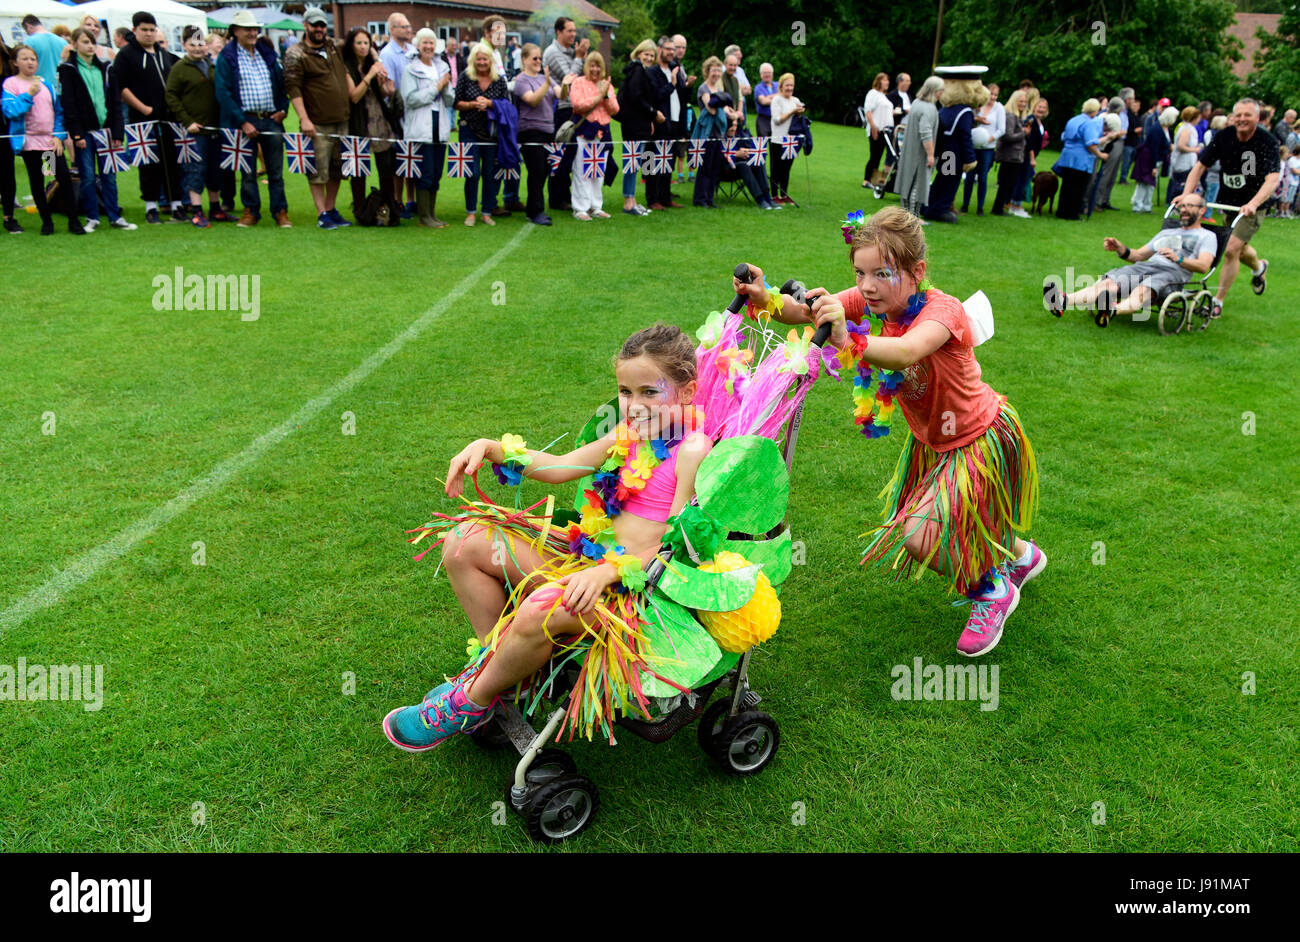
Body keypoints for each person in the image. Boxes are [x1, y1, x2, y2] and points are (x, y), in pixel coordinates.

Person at [382, 324, 713, 750]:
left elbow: (674, 542)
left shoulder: (692, 448)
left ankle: (471, 700)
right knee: (465, 541)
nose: (633, 406)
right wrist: (491, 447)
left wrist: (605, 575)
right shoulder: (628, 436)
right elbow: (559, 467)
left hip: (636, 595)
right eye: (625, 392)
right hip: (585, 562)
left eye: (650, 392)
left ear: (687, 393)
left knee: (541, 606)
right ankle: (505, 675)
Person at [736, 206, 1042, 656]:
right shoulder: (871, 298)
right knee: (962, 514)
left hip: (979, 437)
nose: (865, 286)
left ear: (916, 271)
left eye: (881, 273)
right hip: (933, 440)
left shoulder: (944, 311)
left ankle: (992, 591)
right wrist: (762, 297)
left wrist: (846, 339)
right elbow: (808, 314)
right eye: (859, 273)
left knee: (921, 536)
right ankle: (1022, 555)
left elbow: (904, 352)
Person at [1175, 98, 1279, 317]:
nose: (1241, 119)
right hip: (1228, 202)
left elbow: (1272, 180)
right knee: (1238, 250)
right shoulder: (1224, 136)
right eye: (1238, 115)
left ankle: (1217, 301)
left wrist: (1253, 204)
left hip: (1253, 206)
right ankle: (1259, 267)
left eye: (1247, 115)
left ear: (1257, 118)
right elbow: (1199, 166)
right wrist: (1186, 195)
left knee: (1230, 248)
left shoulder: (1267, 141)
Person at [1045, 194, 1217, 321]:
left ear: (1202, 210)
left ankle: (1112, 311)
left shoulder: (1207, 236)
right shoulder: (1167, 232)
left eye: (1190, 206)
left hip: (1173, 274)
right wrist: (1120, 248)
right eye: (1183, 206)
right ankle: (1063, 301)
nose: (1184, 210)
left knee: (1143, 289)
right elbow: (1139, 255)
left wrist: (1178, 259)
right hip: (1146, 266)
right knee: (1108, 284)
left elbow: (1203, 266)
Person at [214, 11, 290, 228]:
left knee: (275, 171)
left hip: (270, 119)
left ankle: (280, 211)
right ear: (236, 31)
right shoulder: (227, 58)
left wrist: (283, 109)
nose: (252, 33)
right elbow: (223, 93)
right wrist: (241, 121)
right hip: (244, 120)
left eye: (255, 29)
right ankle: (250, 211)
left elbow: (282, 85)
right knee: (247, 171)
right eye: (247, 29)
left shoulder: (268, 53)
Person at [59, 28, 137, 232]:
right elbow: (69, 103)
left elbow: (115, 101)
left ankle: (114, 216)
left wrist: (118, 132)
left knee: (109, 176)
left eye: (92, 42)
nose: (90, 46)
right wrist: (76, 133)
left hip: (106, 132)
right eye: (85, 42)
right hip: (84, 132)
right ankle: (92, 217)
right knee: (87, 177)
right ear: (74, 44)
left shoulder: (106, 68)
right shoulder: (68, 69)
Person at [2, 45, 84, 234]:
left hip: (49, 143)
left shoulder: (46, 84)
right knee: (37, 181)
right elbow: (11, 111)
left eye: (33, 59)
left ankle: (73, 220)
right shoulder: (11, 84)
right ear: (15, 62)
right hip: (30, 143)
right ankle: (47, 221)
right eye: (24, 58)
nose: (30, 62)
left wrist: (58, 136)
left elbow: (58, 112)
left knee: (61, 176)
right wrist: (28, 95)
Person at [112, 12, 183, 224]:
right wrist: (144, 109)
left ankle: (176, 204)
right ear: (135, 31)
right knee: (148, 162)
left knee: (172, 160)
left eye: (152, 30)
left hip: (168, 118)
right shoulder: (126, 55)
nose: (149, 34)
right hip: (143, 118)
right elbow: (121, 87)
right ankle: (151, 206)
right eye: (144, 30)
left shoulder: (163, 54)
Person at [285, 7, 352, 230]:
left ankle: (331, 209)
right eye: (315, 25)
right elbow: (293, 89)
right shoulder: (296, 53)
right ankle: (321, 212)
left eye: (322, 25)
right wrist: (304, 119)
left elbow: (356, 43)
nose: (319, 29)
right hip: (317, 121)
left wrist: (372, 54)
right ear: (305, 25)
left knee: (338, 168)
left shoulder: (332, 46)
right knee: (317, 170)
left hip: (341, 119)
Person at [165, 25, 226, 228]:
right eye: (193, 44)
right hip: (194, 129)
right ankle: (196, 210)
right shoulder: (179, 69)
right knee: (195, 169)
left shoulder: (212, 66)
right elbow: (171, 96)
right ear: (184, 45)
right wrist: (187, 121)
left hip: (214, 127)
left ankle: (216, 207)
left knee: (215, 169)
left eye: (201, 44)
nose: (198, 48)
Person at [342, 27, 397, 224]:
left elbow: (383, 95)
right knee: (358, 169)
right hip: (358, 121)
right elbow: (354, 96)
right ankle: (359, 210)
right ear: (352, 45)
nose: (363, 47)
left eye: (366, 43)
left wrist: (382, 83)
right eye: (359, 43)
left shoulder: (373, 64)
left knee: (386, 168)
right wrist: (369, 75)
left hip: (379, 120)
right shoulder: (346, 66)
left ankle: (389, 208)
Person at [400, 28, 453, 228]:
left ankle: (432, 213)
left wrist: (446, 87)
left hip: (439, 125)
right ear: (418, 45)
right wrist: (437, 87)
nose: (428, 47)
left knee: (437, 172)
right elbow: (411, 99)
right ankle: (423, 216)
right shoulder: (411, 69)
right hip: (421, 127)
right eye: (425, 43)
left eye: (431, 43)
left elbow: (449, 100)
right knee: (426, 172)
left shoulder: (442, 66)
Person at [454, 42, 509, 226]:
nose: (482, 62)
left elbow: (507, 104)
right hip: (469, 128)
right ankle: (470, 212)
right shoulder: (465, 76)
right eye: (479, 59)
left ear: (491, 60)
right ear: (473, 60)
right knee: (473, 172)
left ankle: (486, 212)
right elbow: (456, 102)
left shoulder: (499, 80)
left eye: (485, 59)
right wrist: (471, 105)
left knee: (489, 173)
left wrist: (490, 103)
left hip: (492, 132)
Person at [924, 67, 984, 224]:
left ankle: (930, 206)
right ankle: (939, 208)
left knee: (943, 179)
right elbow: (965, 136)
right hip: (953, 154)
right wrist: (970, 159)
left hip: (945, 151)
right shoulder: (964, 112)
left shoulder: (947, 109)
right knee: (949, 181)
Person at [565, 51, 618, 221]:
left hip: (602, 133)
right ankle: (580, 208)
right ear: (587, 66)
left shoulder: (607, 85)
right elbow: (578, 104)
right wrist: (598, 97)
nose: (595, 69)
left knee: (598, 172)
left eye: (598, 66)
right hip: (584, 132)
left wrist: (607, 95)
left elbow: (615, 109)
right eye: (592, 65)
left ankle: (596, 206)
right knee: (581, 171)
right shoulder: (579, 82)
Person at [542, 17, 587, 213]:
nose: (573, 35)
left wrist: (581, 57)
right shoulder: (552, 53)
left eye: (574, 31)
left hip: (575, 108)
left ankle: (565, 194)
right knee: (562, 152)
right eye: (569, 31)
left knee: (572, 152)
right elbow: (571, 78)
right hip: (561, 109)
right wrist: (579, 57)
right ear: (558, 32)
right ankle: (556, 196)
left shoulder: (570, 52)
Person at [511, 42, 554, 225]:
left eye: (540, 58)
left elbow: (560, 93)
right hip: (530, 131)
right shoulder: (522, 80)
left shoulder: (544, 78)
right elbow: (533, 100)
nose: (538, 61)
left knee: (544, 171)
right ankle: (536, 211)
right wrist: (547, 83)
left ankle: (534, 209)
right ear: (524, 59)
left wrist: (566, 84)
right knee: (536, 171)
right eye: (534, 58)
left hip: (547, 131)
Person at [379, 12, 417, 217]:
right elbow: (389, 88)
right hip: (397, 114)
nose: (408, 30)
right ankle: (398, 200)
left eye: (409, 26)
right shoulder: (387, 54)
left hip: (415, 113)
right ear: (392, 29)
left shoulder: (412, 50)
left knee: (412, 157)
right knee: (398, 160)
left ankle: (411, 199)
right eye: (403, 26)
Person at [616, 40, 659, 217]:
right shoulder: (637, 70)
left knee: (635, 163)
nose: (648, 58)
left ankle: (632, 199)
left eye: (651, 55)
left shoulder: (641, 71)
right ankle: (628, 202)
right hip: (633, 124)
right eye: (646, 54)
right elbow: (636, 97)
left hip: (639, 123)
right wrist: (653, 113)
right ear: (638, 53)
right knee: (631, 163)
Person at [647, 35, 688, 208]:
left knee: (668, 161)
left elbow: (681, 96)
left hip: (675, 121)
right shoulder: (652, 71)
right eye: (668, 49)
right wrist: (671, 84)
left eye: (673, 49)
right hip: (659, 121)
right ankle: (653, 198)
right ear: (659, 50)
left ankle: (666, 197)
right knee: (653, 161)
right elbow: (655, 96)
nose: (672, 52)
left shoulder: (675, 68)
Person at [893, 75, 940, 219]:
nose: (941, 93)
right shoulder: (928, 108)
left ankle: (908, 216)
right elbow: (925, 132)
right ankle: (912, 217)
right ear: (934, 90)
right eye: (940, 90)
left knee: (909, 183)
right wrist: (931, 154)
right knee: (918, 184)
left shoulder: (916, 103)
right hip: (919, 153)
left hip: (910, 150)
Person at [1053, 98, 1107, 220]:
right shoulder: (1090, 123)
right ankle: (1072, 213)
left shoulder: (1074, 119)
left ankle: (1061, 211)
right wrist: (1101, 154)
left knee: (1066, 186)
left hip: (1067, 156)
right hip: (1081, 159)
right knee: (1078, 187)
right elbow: (1090, 143)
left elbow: (1064, 136)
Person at [691, 56, 729, 208]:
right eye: (714, 70)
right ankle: (700, 198)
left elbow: (725, 108)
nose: (716, 74)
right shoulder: (703, 88)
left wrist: (723, 104)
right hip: (706, 133)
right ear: (707, 71)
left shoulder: (718, 90)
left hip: (718, 134)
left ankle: (710, 198)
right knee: (705, 167)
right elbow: (711, 109)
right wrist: (723, 102)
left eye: (719, 71)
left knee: (715, 168)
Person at [962, 81, 1002, 215]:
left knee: (983, 177)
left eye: (996, 95)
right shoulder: (977, 106)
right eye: (991, 94)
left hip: (987, 147)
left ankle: (980, 206)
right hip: (973, 146)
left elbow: (1001, 129)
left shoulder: (999, 108)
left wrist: (989, 139)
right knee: (969, 175)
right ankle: (965, 204)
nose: (993, 97)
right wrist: (977, 119)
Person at [991, 87, 1029, 217]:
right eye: (1021, 101)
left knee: (1009, 183)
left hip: (1016, 155)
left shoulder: (1018, 117)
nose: (1023, 104)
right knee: (1006, 183)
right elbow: (1007, 136)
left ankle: (1000, 206)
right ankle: (998, 207)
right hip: (1009, 155)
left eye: (1025, 102)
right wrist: (1023, 133)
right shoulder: (1011, 116)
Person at [1131, 105, 1176, 214]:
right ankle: (1138, 205)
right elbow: (1154, 148)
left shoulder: (1163, 128)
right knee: (1144, 181)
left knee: (1150, 183)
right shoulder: (1157, 129)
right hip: (1149, 158)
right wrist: (1154, 166)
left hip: (1155, 157)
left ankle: (1147, 205)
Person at [769, 72, 804, 205]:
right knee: (776, 169)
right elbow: (777, 120)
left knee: (786, 169)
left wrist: (800, 112)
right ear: (781, 86)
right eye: (787, 85)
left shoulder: (795, 100)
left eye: (792, 85)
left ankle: (784, 194)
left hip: (791, 141)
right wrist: (792, 112)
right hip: (778, 140)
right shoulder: (776, 100)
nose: (789, 88)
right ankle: (773, 195)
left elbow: (799, 118)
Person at [1089, 97, 1126, 211]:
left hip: (1106, 147)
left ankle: (1099, 200)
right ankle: (1094, 202)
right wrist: (1116, 134)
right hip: (1100, 148)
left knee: (1106, 175)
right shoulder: (1103, 118)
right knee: (1098, 175)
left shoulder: (1106, 117)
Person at [1168, 104, 1203, 204]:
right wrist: (1195, 150)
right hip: (1183, 163)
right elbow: (1181, 146)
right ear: (1194, 118)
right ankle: (1178, 204)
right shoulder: (1186, 129)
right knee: (1182, 185)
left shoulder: (1189, 128)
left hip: (1188, 162)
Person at [862, 72, 892, 188]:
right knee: (874, 155)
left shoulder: (883, 96)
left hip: (885, 131)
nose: (887, 82)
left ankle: (873, 178)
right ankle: (866, 179)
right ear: (878, 81)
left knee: (879, 156)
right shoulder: (873, 93)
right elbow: (868, 111)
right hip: (877, 130)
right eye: (884, 80)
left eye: (888, 80)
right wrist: (873, 127)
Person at [20, 16, 67, 87]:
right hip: (60, 87)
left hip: (40, 87)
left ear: (28, 26)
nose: (28, 34)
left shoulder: (30, 42)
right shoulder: (62, 41)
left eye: (27, 32)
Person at [1118, 92, 1141, 184]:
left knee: (1130, 162)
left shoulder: (1136, 116)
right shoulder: (1128, 114)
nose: (1136, 107)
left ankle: (1125, 177)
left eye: (1138, 106)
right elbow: (1127, 129)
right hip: (1128, 142)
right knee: (1126, 162)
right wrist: (1135, 131)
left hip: (1134, 142)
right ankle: (1122, 178)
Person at [753, 62, 776, 138]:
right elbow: (763, 101)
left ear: (772, 74)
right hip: (763, 119)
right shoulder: (758, 88)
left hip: (777, 119)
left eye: (769, 72)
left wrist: (768, 97)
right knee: (762, 144)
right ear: (761, 75)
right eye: (765, 73)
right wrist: (777, 97)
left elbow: (784, 97)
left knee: (776, 145)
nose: (767, 75)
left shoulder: (778, 85)